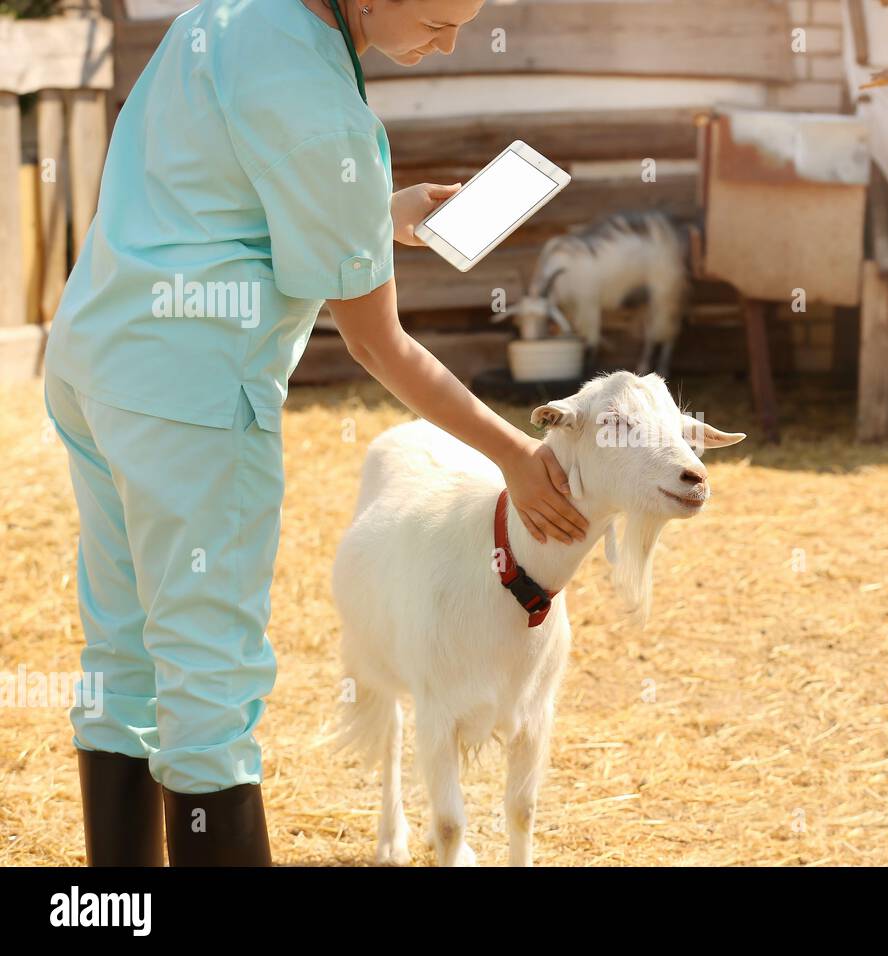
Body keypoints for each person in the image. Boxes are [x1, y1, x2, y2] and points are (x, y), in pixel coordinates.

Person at [42, 0, 587, 866]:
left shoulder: (226, 15)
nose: (450, 42)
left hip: (96, 358)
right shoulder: (330, 117)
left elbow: (225, 171)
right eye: (441, 21)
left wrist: (379, 209)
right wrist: (514, 455)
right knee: (209, 685)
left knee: (123, 654)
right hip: (190, 400)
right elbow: (378, 344)